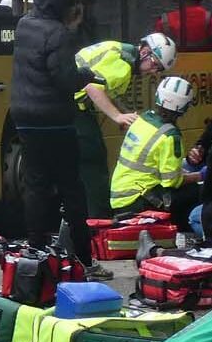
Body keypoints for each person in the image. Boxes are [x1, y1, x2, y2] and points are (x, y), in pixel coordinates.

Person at [9, 0, 99, 267]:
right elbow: (64, 79)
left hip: (24, 118)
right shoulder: (58, 33)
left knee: (36, 185)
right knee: (72, 188)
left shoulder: (24, 25)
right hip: (55, 121)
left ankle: (35, 253)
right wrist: (86, 76)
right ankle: (84, 258)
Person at [72, 31, 175, 227]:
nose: (153, 71)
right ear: (144, 51)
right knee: (94, 161)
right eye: (154, 63)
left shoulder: (120, 53)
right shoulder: (123, 64)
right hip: (71, 108)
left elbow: (107, 89)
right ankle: (99, 221)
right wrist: (117, 116)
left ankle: (84, 217)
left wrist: (125, 114)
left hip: (65, 104)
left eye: (158, 69)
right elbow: (93, 88)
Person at [110, 76, 198, 224]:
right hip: (138, 201)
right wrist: (200, 176)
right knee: (195, 191)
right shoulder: (170, 136)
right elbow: (171, 182)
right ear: (184, 107)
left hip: (119, 197)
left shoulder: (142, 119)